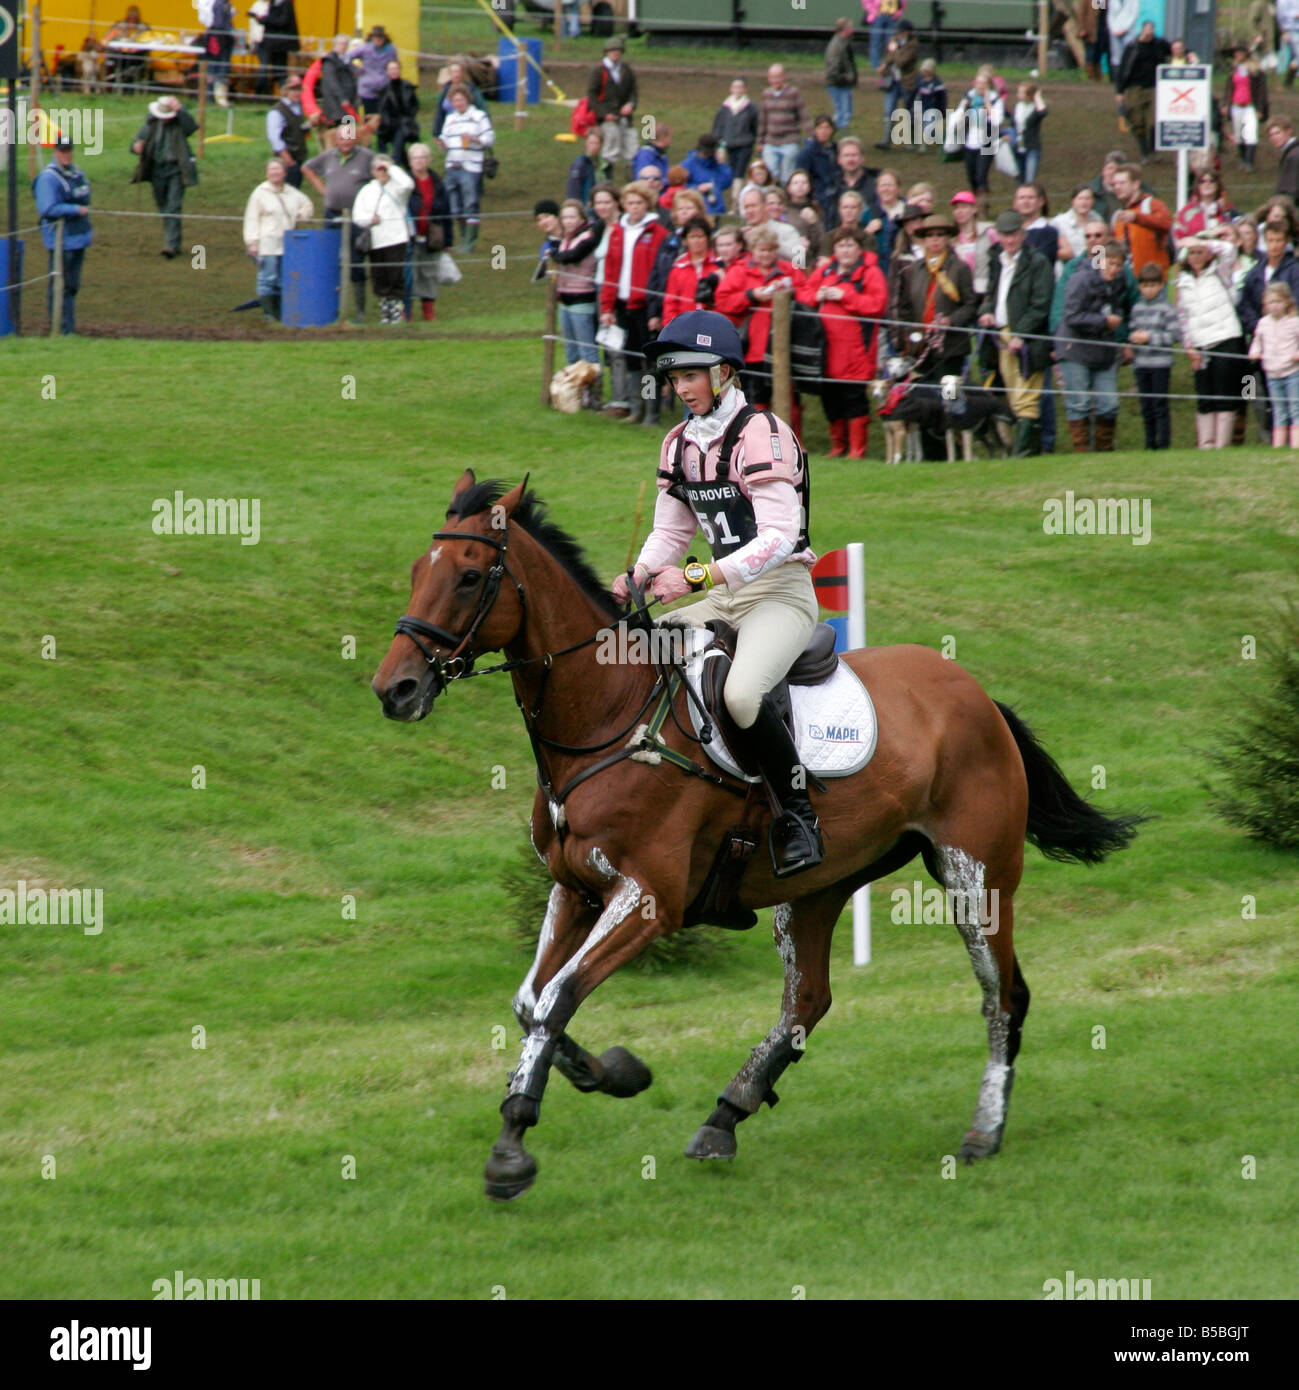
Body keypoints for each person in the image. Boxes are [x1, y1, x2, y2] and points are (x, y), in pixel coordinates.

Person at [614, 309, 822, 876]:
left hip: (779, 595)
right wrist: (638, 573)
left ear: (724, 373)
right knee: (634, 654)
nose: (681, 389)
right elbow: (671, 531)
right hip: (724, 596)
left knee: (741, 697)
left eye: (691, 376)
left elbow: (780, 536)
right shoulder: (677, 443)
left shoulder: (764, 433)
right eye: (674, 379)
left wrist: (698, 577)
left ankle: (799, 815)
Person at [799, 223, 887, 457]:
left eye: (850, 245)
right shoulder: (826, 271)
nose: (846, 250)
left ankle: (857, 449)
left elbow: (877, 305)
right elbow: (803, 293)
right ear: (834, 249)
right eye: (841, 245)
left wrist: (845, 295)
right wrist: (816, 295)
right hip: (826, 351)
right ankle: (838, 446)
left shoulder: (871, 272)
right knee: (831, 400)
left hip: (857, 353)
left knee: (854, 399)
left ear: (859, 248)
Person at [975, 208, 1053, 456]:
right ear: (998, 236)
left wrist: (1021, 334)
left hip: (1028, 339)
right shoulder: (997, 260)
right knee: (1013, 394)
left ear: (1022, 234)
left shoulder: (1037, 262)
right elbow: (991, 293)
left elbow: (1041, 305)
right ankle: (1030, 450)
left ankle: (1022, 452)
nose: (1009, 240)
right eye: (1005, 235)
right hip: (1001, 335)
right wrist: (987, 310)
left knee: (1026, 395)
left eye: (1014, 234)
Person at [715, 228, 807, 429]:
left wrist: (790, 293)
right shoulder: (739, 270)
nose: (765, 254)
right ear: (752, 250)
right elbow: (722, 301)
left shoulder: (788, 269)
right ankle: (756, 436)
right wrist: (751, 295)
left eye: (770, 250)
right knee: (756, 395)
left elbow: (807, 293)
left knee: (791, 396)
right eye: (761, 250)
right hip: (753, 347)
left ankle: (794, 440)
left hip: (785, 345)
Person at [599, 180, 670, 425]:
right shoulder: (617, 232)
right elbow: (609, 271)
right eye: (630, 202)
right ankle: (635, 407)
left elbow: (661, 273)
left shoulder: (658, 233)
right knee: (629, 356)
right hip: (622, 303)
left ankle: (652, 412)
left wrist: (656, 307)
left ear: (647, 204)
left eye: (639, 202)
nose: (634, 207)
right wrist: (606, 307)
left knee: (651, 359)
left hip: (645, 305)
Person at [1055, 238, 1127, 452]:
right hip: (1075, 350)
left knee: (1109, 404)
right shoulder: (1080, 279)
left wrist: (1116, 320)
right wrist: (1103, 322)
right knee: (1079, 405)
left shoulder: (1117, 283)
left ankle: (1104, 451)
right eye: (1110, 264)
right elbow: (1071, 316)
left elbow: (1118, 308)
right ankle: (1082, 453)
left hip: (1104, 350)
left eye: (1118, 265)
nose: (1114, 269)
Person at [1175, 232, 1247, 447]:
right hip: (1201, 345)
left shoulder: (1220, 272)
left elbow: (1229, 250)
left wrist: (1201, 241)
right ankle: (1205, 444)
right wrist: (1189, 348)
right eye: (1192, 253)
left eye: (1200, 252)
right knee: (1204, 396)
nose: (1196, 256)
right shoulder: (1182, 281)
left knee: (1225, 394)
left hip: (1226, 338)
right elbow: (1183, 317)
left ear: (1207, 255)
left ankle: (1221, 445)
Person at [892, 211, 976, 390]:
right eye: (929, 235)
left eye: (940, 234)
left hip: (950, 346)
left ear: (948, 238)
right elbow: (905, 307)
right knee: (924, 392)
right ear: (923, 240)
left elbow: (970, 305)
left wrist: (951, 320)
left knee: (949, 394)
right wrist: (907, 336)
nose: (934, 239)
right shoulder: (914, 269)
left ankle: (952, 417)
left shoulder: (960, 268)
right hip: (921, 345)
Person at [303, 128, 373, 320]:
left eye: (350, 139)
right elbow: (307, 168)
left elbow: (381, 173)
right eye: (342, 138)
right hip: (331, 216)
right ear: (336, 140)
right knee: (330, 261)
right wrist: (324, 191)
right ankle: (329, 308)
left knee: (356, 262)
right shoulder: (327, 157)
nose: (346, 142)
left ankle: (360, 311)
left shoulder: (367, 157)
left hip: (356, 217)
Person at [33, 135, 92, 336]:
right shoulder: (48, 178)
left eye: (68, 150)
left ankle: (68, 328)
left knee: (72, 286)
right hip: (61, 241)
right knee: (61, 286)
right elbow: (47, 208)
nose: (66, 155)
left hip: (78, 238)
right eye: (62, 151)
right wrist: (75, 209)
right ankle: (62, 329)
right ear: (55, 152)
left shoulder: (76, 173)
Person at [242, 157, 312, 321]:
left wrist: (301, 216)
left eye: (278, 170)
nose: (275, 173)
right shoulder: (259, 193)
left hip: (288, 243)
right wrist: (252, 242)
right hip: (267, 244)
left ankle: (281, 314)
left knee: (283, 279)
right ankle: (268, 314)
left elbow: (307, 205)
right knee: (267, 278)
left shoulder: (292, 192)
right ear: (267, 173)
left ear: (285, 173)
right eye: (272, 170)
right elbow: (251, 218)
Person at [130, 94, 197, 259]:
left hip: (176, 170)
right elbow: (135, 143)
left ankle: (171, 245)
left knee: (173, 206)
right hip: (156, 171)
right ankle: (175, 239)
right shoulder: (150, 125)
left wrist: (179, 110)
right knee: (164, 207)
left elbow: (192, 126)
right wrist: (136, 147)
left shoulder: (180, 124)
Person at [352, 154, 413, 325]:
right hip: (376, 241)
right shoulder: (367, 190)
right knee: (380, 279)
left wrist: (390, 167)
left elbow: (408, 184)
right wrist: (370, 219)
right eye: (378, 169)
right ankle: (386, 312)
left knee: (395, 277)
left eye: (384, 169)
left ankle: (397, 313)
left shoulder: (398, 188)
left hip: (395, 239)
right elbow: (358, 215)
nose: (382, 172)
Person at [551, 199, 603, 395]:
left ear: (582, 217)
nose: (568, 221)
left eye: (572, 216)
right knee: (571, 352)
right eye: (565, 217)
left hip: (582, 299)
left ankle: (594, 395)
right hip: (564, 299)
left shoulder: (587, 237)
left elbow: (573, 257)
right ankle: (576, 392)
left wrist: (554, 254)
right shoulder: (566, 238)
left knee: (587, 352)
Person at [1126, 261, 1180, 450]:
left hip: (1160, 364)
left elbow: (1174, 335)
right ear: (1140, 286)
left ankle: (1163, 444)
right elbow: (1132, 330)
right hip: (1141, 363)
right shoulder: (1137, 308)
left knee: (1159, 405)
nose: (1149, 290)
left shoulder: (1166, 308)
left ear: (1161, 285)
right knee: (1146, 406)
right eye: (1145, 285)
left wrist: (1150, 338)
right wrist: (1133, 338)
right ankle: (1149, 443)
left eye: (1153, 285)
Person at [438, 83, 494, 254]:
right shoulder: (450, 118)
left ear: (467, 99)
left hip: (470, 166)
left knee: (470, 204)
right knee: (454, 206)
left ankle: (470, 243)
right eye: (455, 100)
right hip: (452, 166)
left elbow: (490, 138)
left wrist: (475, 139)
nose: (458, 103)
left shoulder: (479, 116)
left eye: (461, 100)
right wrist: (442, 143)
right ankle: (462, 241)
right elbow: (444, 137)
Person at [590, 183, 627, 415]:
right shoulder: (600, 229)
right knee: (607, 345)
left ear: (616, 202)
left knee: (617, 347)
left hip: (615, 291)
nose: (602, 207)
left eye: (606, 202)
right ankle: (615, 397)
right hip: (601, 289)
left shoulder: (621, 228)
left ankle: (622, 401)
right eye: (598, 203)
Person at [406, 143, 453, 323]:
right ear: (410, 162)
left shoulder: (438, 183)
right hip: (410, 236)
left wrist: (448, 240)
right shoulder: (405, 183)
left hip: (432, 236)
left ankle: (429, 313)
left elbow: (447, 211)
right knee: (410, 273)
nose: (419, 162)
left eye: (423, 158)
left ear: (429, 160)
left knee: (429, 273)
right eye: (415, 158)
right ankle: (407, 313)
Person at [1248, 281, 1299, 446]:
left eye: (1278, 302)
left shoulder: (1294, 322)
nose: (1274, 306)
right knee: (1278, 411)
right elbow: (1257, 341)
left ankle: (1295, 445)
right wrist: (1254, 352)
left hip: (1292, 373)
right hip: (1272, 373)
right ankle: (1278, 446)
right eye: (1271, 302)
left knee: (1295, 409)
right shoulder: (1263, 323)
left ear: (1286, 302)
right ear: (1265, 304)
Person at [1116, 21, 1172, 162]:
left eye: (1152, 29)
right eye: (1147, 29)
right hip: (1135, 88)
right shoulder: (1132, 47)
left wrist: (1188, 53)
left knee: (1154, 120)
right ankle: (1144, 152)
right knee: (1137, 121)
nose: (1149, 32)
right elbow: (1123, 69)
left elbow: (1175, 49)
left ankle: (1153, 152)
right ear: (1142, 30)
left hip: (1154, 87)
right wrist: (1119, 91)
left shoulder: (1159, 44)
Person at [1110, 162, 1172, 273]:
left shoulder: (1151, 204)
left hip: (1153, 281)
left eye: (1122, 183)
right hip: (1127, 281)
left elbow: (1167, 224)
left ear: (1136, 184)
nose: (1117, 187)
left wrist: (1137, 218)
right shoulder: (1117, 216)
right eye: (1114, 184)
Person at [956, 71, 1004, 214]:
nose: (980, 86)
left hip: (987, 141)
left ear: (989, 85)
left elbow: (997, 121)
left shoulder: (996, 100)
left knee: (981, 175)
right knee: (971, 175)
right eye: (978, 83)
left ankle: (982, 208)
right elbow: (958, 115)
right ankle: (976, 202)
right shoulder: (969, 97)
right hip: (970, 141)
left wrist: (988, 104)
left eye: (984, 83)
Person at [662, 215, 722, 327]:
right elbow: (670, 303)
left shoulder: (718, 265)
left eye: (700, 236)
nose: (697, 241)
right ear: (685, 241)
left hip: (713, 326)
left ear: (707, 238)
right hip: (684, 326)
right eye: (692, 237)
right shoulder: (678, 267)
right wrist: (671, 327)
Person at [303, 35, 361, 148]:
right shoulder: (329, 61)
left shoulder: (347, 59)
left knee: (349, 132)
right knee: (336, 134)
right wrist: (342, 98)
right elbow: (332, 82)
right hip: (336, 107)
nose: (343, 46)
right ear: (335, 45)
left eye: (345, 44)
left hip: (349, 104)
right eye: (341, 44)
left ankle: (348, 151)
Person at [589, 38, 638, 169]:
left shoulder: (626, 69)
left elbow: (633, 90)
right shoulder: (599, 71)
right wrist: (604, 114)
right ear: (606, 52)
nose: (615, 53)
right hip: (608, 117)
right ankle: (606, 176)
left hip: (625, 117)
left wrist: (630, 104)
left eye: (618, 50)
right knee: (611, 147)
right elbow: (592, 95)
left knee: (632, 145)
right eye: (612, 51)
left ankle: (632, 173)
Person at [758, 65, 810, 185]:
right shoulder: (766, 94)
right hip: (770, 140)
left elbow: (804, 115)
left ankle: (787, 194)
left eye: (778, 77)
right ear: (769, 78)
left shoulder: (793, 93)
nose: (776, 80)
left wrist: (810, 134)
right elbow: (762, 120)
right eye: (773, 77)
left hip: (789, 139)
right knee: (770, 174)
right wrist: (760, 141)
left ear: (784, 77)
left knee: (787, 175)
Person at [712, 79, 759, 213]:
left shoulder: (751, 108)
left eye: (740, 87)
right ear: (731, 89)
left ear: (745, 89)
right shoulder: (724, 108)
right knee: (730, 173)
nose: (737, 90)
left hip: (745, 145)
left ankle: (735, 203)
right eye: (735, 87)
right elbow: (718, 128)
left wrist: (755, 142)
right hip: (728, 146)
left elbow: (756, 128)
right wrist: (719, 146)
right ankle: (732, 201)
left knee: (739, 173)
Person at [874, 19, 919, 151]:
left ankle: (912, 142)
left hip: (907, 82)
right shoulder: (894, 42)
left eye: (901, 32)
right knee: (889, 110)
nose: (898, 35)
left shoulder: (913, 45)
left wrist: (894, 52)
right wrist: (889, 58)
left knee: (909, 111)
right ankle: (886, 140)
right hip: (893, 81)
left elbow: (901, 62)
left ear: (907, 33)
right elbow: (888, 58)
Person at [1173, 171, 1237, 249]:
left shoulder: (1224, 212)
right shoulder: (1187, 211)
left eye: (1212, 181)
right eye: (1202, 181)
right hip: (1193, 253)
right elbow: (1178, 237)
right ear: (1197, 186)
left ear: (1217, 185)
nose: (1207, 184)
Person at [266, 72, 308, 188]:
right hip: (286, 161)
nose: (297, 93)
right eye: (293, 89)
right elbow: (275, 138)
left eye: (299, 89)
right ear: (285, 91)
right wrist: (288, 160)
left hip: (298, 159)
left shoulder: (298, 107)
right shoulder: (277, 111)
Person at [738, 185, 802, 260]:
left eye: (753, 206)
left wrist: (768, 241)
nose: (749, 211)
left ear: (765, 206)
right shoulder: (742, 234)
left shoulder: (786, 230)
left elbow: (799, 259)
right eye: (746, 207)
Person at [376, 58, 419, 169]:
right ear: (387, 71)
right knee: (385, 145)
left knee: (397, 150)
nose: (393, 71)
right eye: (391, 69)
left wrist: (409, 117)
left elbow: (414, 105)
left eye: (395, 68)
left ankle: (393, 168)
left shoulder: (407, 86)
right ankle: (408, 168)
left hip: (404, 123)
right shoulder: (384, 89)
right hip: (389, 124)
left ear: (399, 70)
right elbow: (381, 109)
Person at [431, 59, 489, 140]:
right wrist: (436, 132)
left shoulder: (471, 89)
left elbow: (482, 108)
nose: (456, 74)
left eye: (458, 71)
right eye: (453, 72)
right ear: (450, 74)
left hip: (468, 125)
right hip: (449, 127)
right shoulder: (445, 90)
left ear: (462, 73)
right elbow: (439, 112)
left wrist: (484, 127)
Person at [350, 25, 397, 117]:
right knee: (370, 117)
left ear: (384, 38)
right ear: (372, 37)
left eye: (380, 37)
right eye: (376, 37)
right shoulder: (364, 48)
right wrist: (356, 70)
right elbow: (347, 58)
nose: (378, 39)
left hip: (385, 88)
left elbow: (395, 64)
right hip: (368, 89)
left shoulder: (391, 49)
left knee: (385, 116)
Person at [795, 115, 839, 213]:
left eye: (827, 128)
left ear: (832, 130)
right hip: (818, 195)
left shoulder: (836, 150)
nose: (824, 131)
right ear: (815, 130)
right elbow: (801, 175)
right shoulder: (807, 153)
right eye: (820, 128)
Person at [866, 168, 906, 274]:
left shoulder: (908, 210)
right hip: (877, 270)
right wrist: (867, 232)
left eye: (890, 185)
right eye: (883, 185)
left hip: (903, 268)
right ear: (877, 189)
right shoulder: (868, 213)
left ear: (898, 188)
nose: (886, 189)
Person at [827, 135, 879, 214]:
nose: (850, 160)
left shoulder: (876, 182)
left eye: (854, 155)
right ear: (839, 160)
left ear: (862, 158)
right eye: (846, 155)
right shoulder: (832, 184)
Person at [824, 17, 858, 131]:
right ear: (845, 29)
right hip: (837, 84)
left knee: (845, 113)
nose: (853, 29)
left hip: (842, 84)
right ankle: (840, 137)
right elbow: (833, 70)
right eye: (851, 27)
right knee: (842, 114)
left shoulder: (844, 43)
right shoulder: (836, 46)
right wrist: (847, 78)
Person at [258, 0, 298, 95]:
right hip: (272, 44)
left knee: (280, 71)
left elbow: (283, 21)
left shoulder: (286, 3)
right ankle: (264, 93)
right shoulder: (273, 3)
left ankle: (285, 94)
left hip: (281, 44)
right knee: (274, 70)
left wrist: (266, 19)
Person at [1010, 82, 1048, 184]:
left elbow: (1043, 112)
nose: (1018, 95)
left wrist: (1037, 97)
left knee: (1030, 180)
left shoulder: (1035, 108)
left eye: (1021, 92)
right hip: (1017, 146)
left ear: (1029, 95)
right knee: (1019, 179)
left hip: (1032, 147)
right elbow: (1013, 124)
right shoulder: (1017, 107)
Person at [1053, 183, 1097, 265]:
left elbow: (1102, 248)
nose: (1084, 202)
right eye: (1080, 198)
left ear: (1093, 201)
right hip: (1067, 268)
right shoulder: (1059, 222)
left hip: (1093, 268)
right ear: (1072, 201)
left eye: (1087, 199)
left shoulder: (1098, 220)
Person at [203, 0, 235, 108]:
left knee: (214, 68)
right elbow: (220, 23)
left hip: (216, 37)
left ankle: (212, 96)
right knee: (220, 69)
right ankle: (219, 98)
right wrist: (229, 35)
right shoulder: (221, 4)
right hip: (221, 39)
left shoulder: (221, 3)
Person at [864, 0, 905, 70]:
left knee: (891, 43)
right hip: (877, 17)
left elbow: (903, 4)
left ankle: (888, 64)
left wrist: (896, 14)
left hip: (892, 17)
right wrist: (874, 12)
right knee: (875, 42)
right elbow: (866, 2)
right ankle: (876, 66)